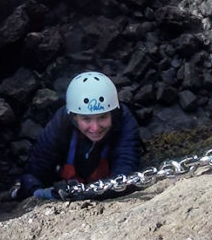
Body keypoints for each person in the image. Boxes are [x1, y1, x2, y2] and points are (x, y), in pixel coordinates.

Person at [13, 71, 141, 200]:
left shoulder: (124, 121)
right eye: (86, 119)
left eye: (103, 117)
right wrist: (37, 191)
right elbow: (36, 168)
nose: (95, 128)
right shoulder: (61, 123)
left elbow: (125, 169)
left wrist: (91, 193)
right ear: (74, 117)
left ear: (113, 113)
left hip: (102, 184)